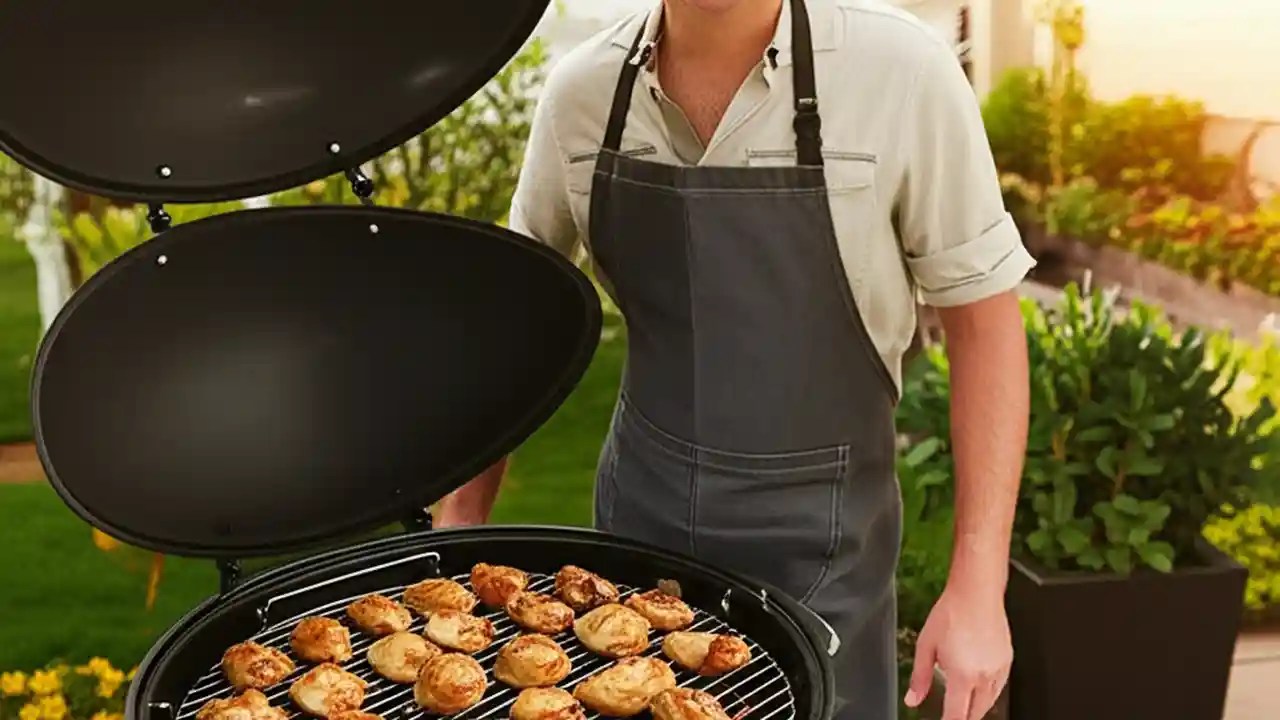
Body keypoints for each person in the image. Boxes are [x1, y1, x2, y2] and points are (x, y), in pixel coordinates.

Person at [437, 1, 1033, 718]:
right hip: (631, 555)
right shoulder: (583, 93)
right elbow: (519, 319)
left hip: (829, 556)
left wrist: (977, 584)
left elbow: (986, 327)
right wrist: (461, 524)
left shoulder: (902, 73)